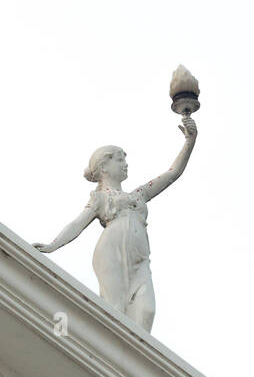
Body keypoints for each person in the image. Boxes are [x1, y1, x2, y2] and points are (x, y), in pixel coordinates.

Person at [33, 115, 198, 332]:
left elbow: (172, 173)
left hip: (140, 260)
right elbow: (77, 224)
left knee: (145, 311)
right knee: (115, 311)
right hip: (111, 252)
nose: (126, 164)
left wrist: (189, 142)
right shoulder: (100, 198)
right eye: (120, 159)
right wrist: (52, 245)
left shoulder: (140, 194)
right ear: (104, 167)